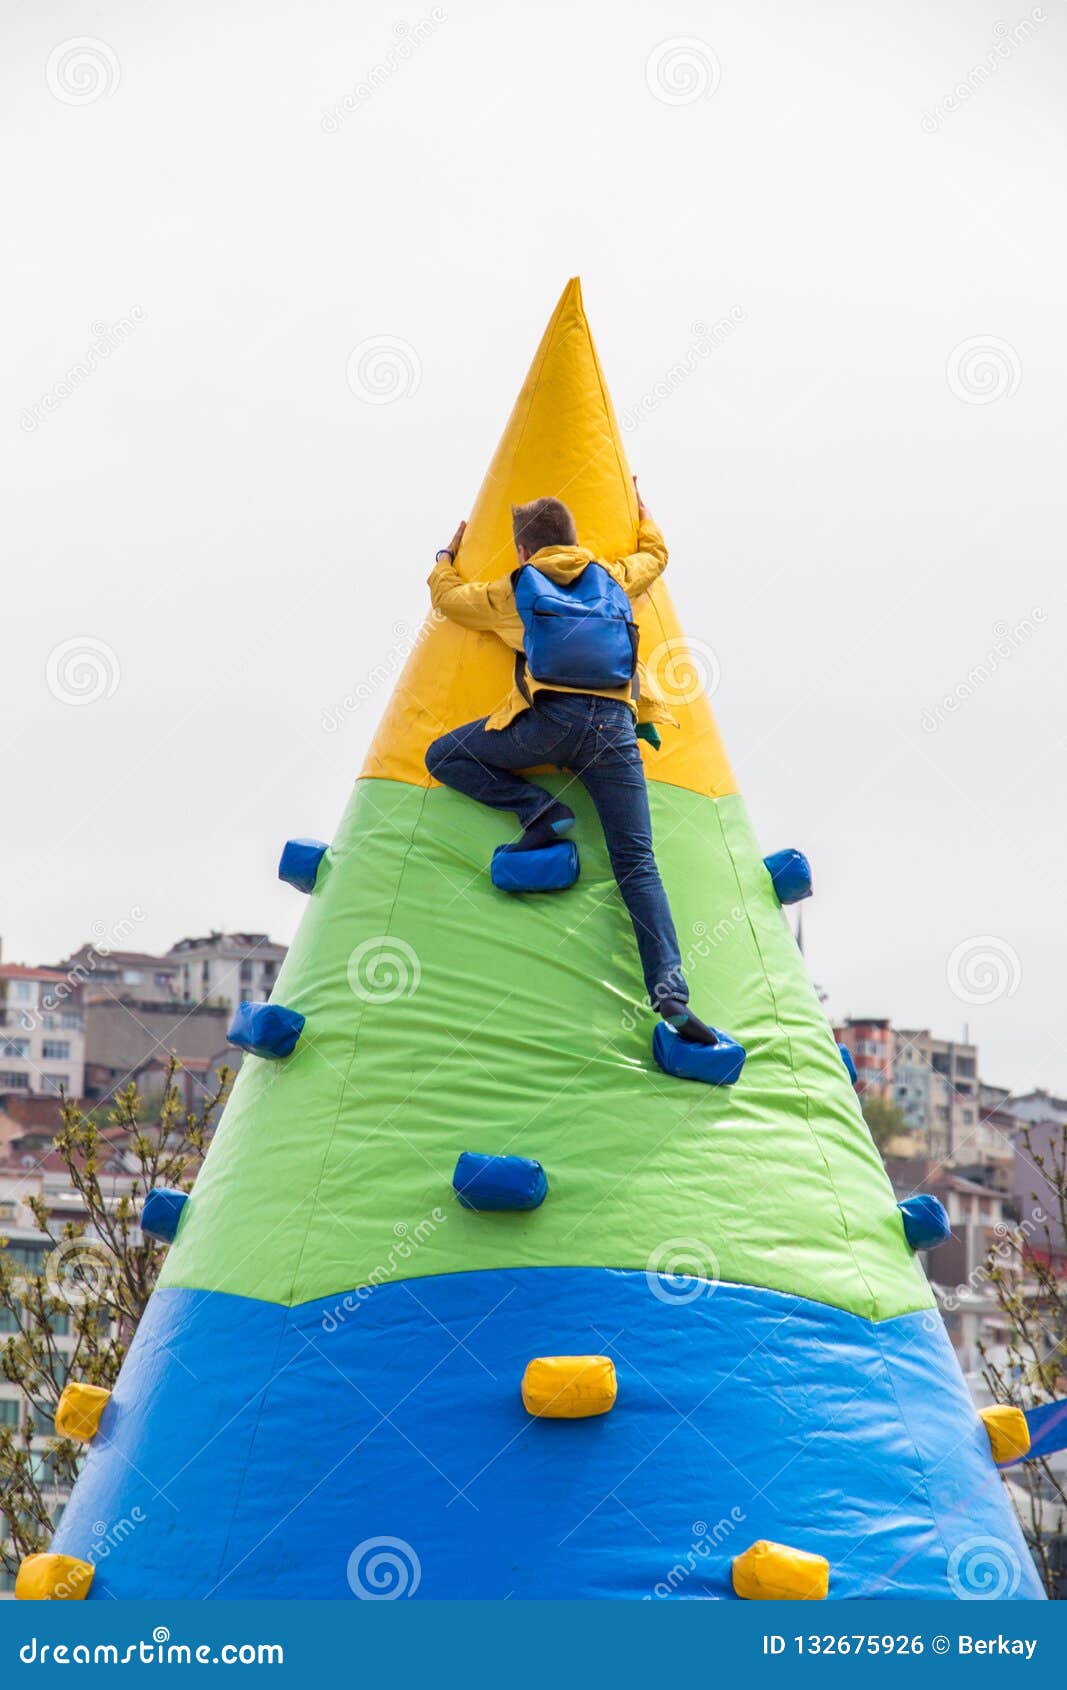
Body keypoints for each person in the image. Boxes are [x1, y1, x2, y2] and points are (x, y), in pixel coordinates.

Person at [424, 483, 717, 1044]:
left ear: (522, 552)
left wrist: (445, 558)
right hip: (615, 730)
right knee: (638, 863)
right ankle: (672, 995)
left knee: (445, 755)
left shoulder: (518, 588)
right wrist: (645, 517)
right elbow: (655, 558)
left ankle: (539, 810)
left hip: (549, 725)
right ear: (574, 540)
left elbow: (450, 600)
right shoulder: (611, 578)